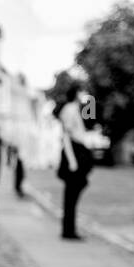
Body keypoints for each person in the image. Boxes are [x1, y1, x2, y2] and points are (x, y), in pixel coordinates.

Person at [55, 84, 95, 240]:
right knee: (72, 193)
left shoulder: (75, 109)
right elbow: (66, 135)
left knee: (75, 190)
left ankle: (69, 229)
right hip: (74, 152)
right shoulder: (70, 109)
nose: (85, 94)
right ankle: (68, 230)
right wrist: (72, 160)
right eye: (83, 92)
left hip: (78, 150)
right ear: (77, 93)